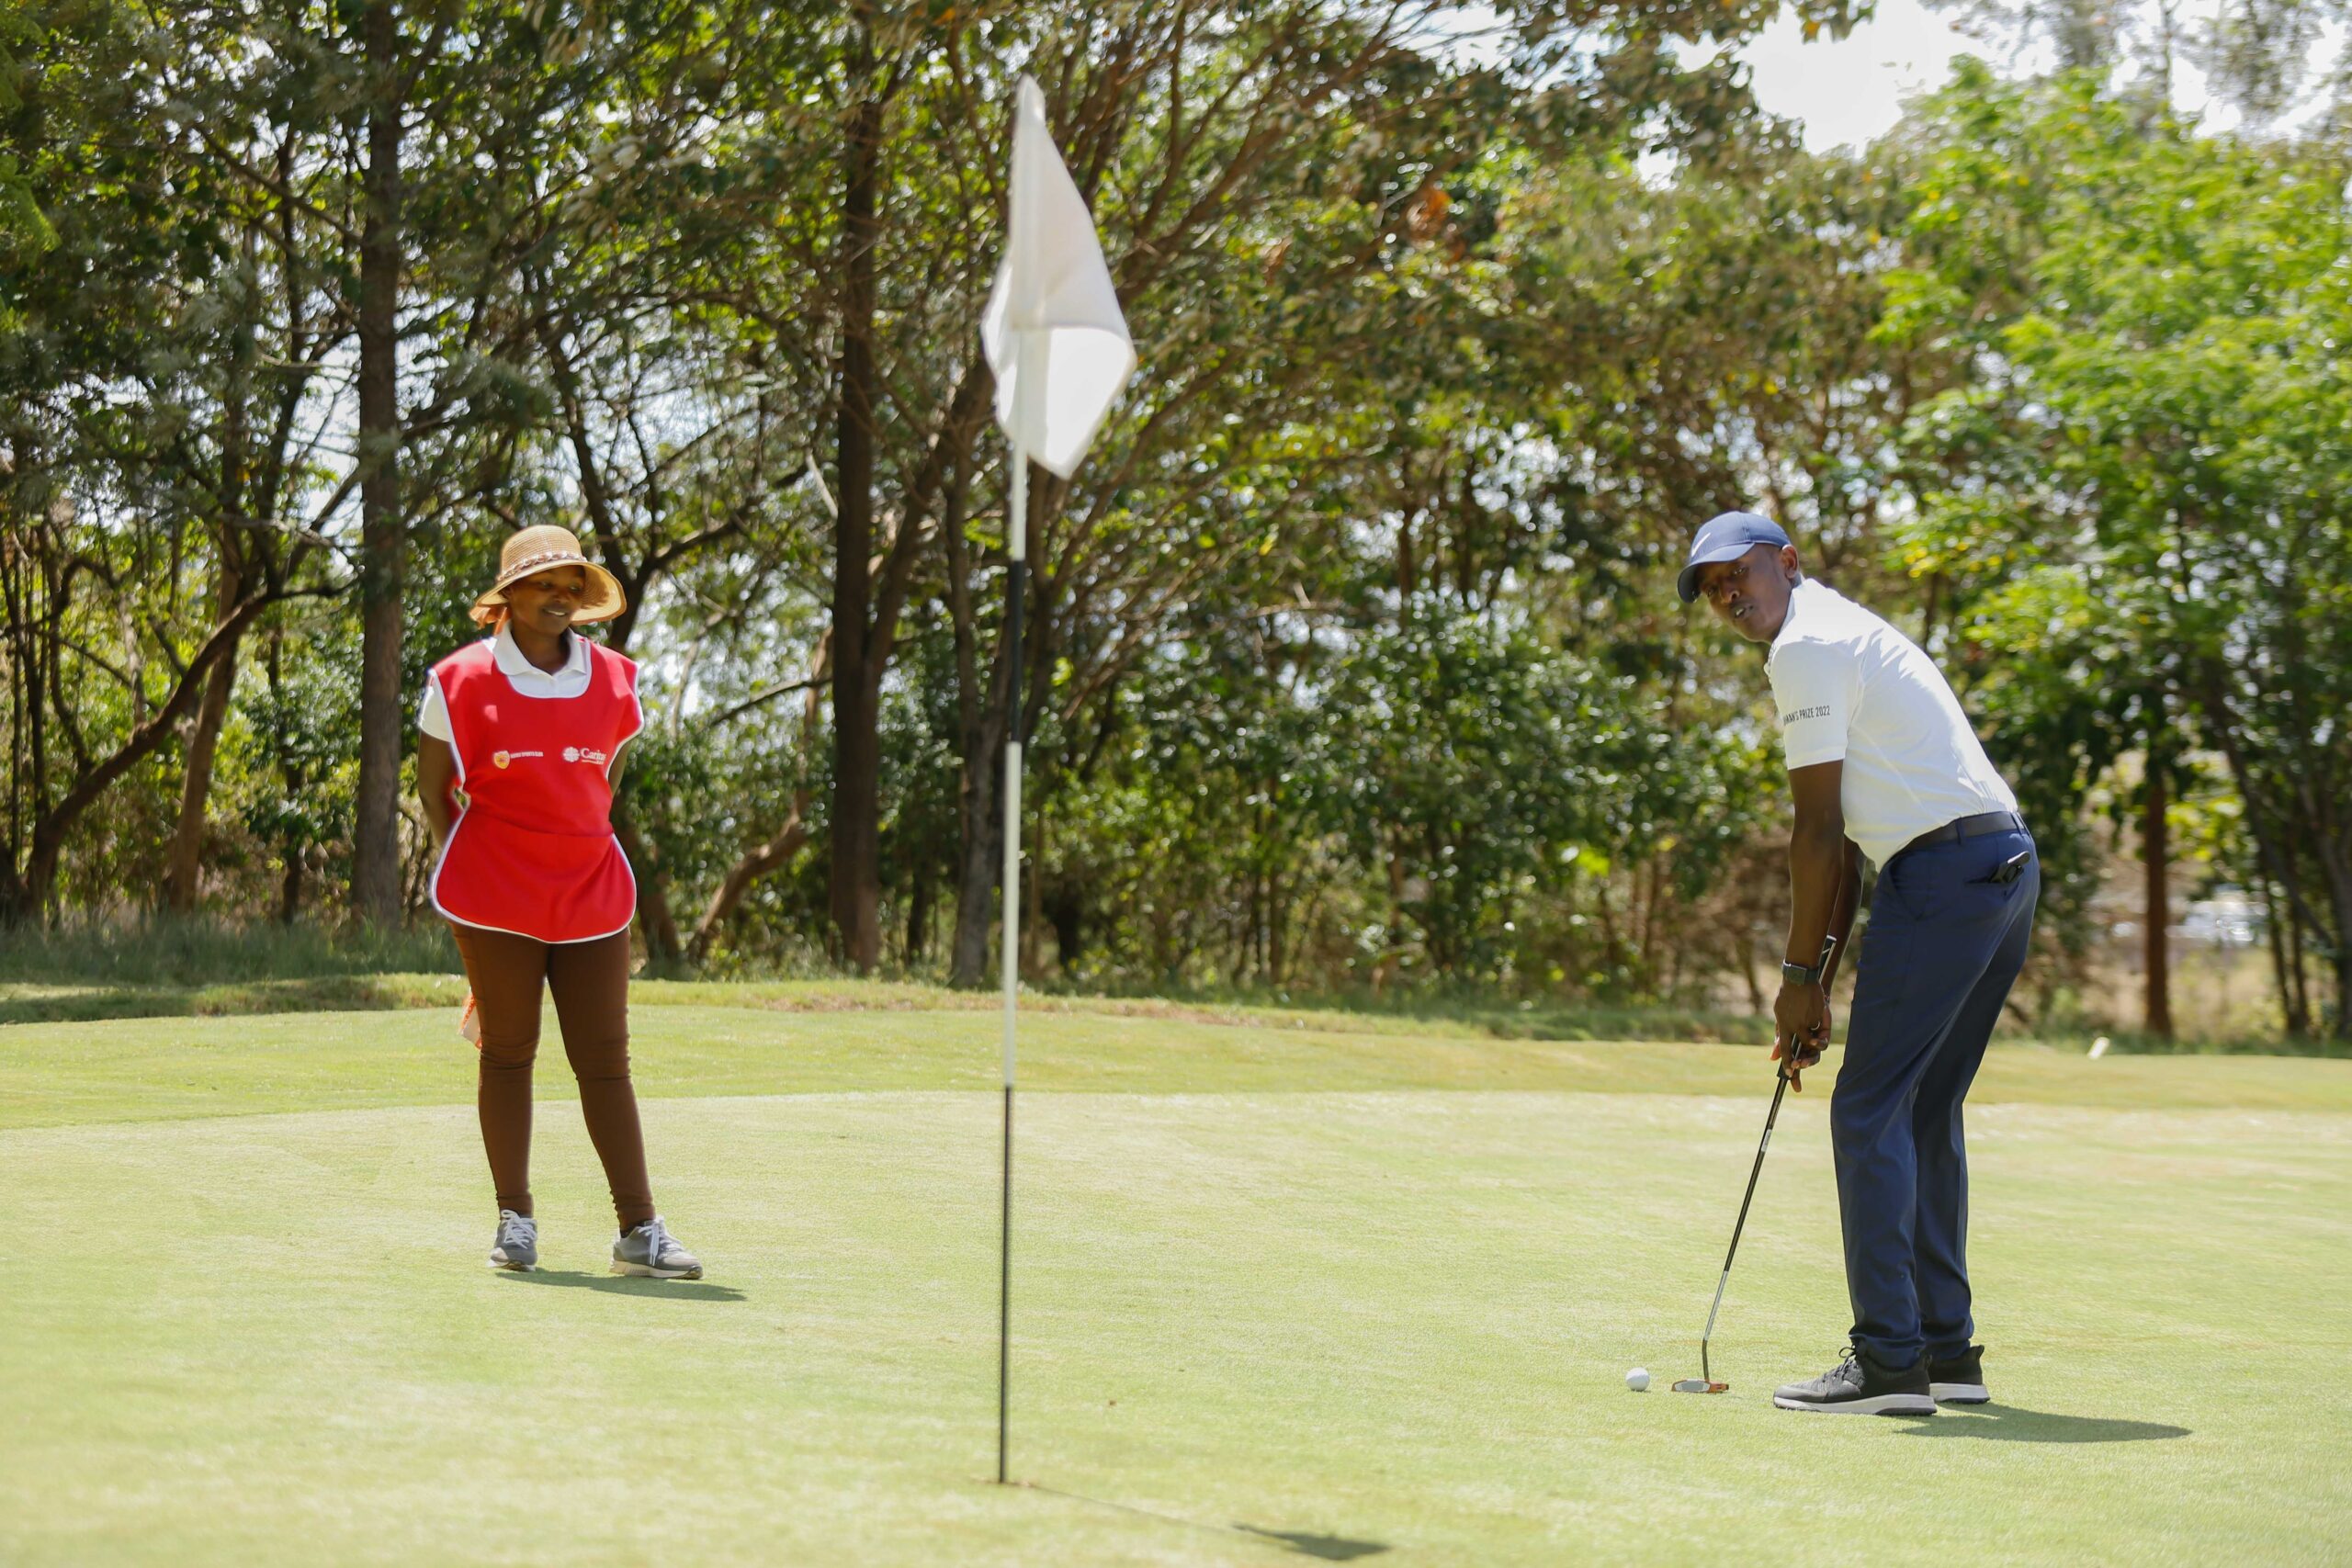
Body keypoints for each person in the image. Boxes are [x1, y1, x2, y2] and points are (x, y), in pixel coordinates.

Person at [1679, 511, 2036, 1416]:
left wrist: (1798, 984)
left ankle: (1888, 1361)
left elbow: (1814, 834)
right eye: (1712, 588)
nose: (1727, 595)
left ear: (1786, 561)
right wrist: (1816, 986)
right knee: (1921, 1105)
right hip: (2000, 865)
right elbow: (1839, 848)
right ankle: (1945, 1352)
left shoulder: (1804, 645)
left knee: (1869, 1108)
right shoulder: (1840, 626)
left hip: (1944, 873)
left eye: (1737, 573)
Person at [416, 525, 704, 1280]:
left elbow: (598, 788)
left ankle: (639, 1229)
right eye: (544, 583)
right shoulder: (456, 680)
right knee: (509, 1052)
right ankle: (514, 1220)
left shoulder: (616, 678)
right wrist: (475, 868)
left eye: (571, 585)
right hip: (495, 899)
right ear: (508, 595)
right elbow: (436, 791)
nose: (560, 596)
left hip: (591, 895)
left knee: (605, 1060)